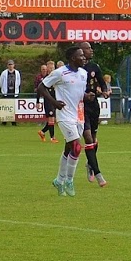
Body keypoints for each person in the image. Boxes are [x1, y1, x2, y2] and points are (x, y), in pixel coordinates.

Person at [39, 45, 92, 196]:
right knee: (76, 147)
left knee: (69, 149)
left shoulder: (83, 73)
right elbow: (41, 88)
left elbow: (79, 93)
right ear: (72, 58)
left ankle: (59, 180)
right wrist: (54, 102)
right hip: (65, 116)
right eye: (81, 55)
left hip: (79, 115)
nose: (84, 57)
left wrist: (87, 96)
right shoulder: (60, 73)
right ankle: (69, 180)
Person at [80, 46, 109, 187]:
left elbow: (102, 82)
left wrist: (105, 91)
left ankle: (90, 163)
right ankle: (98, 174)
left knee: (94, 137)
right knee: (88, 137)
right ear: (81, 51)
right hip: (81, 105)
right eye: (88, 48)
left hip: (94, 105)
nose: (91, 50)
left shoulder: (94, 67)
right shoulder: (75, 69)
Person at [35, 63, 57, 142]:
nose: (51, 70)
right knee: (51, 119)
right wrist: (37, 101)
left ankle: (42, 132)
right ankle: (52, 138)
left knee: (53, 120)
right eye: (50, 68)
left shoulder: (56, 77)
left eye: (53, 68)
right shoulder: (46, 79)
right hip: (48, 101)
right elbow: (39, 90)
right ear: (47, 69)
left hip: (55, 101)